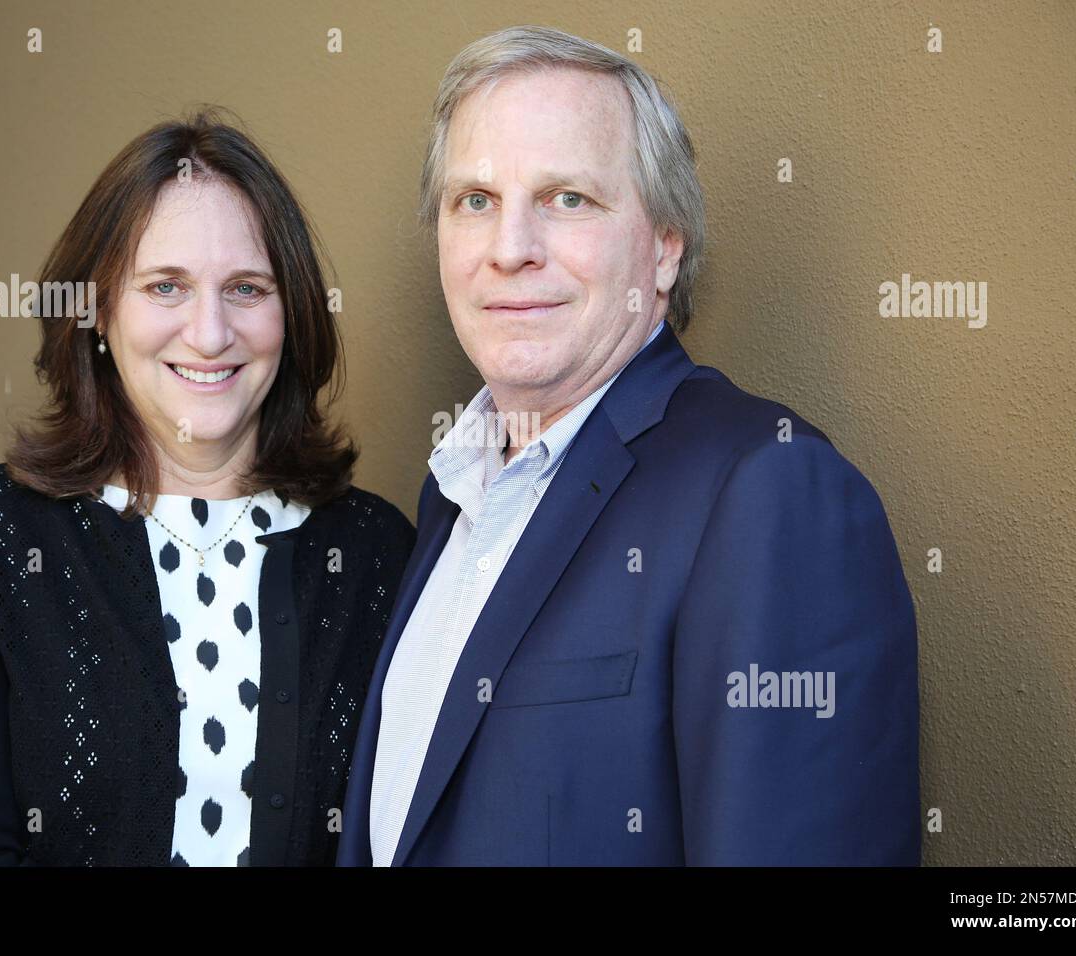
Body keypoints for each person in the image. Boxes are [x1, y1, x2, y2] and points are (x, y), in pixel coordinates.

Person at [338, 26, 920, 866]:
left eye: (567, 199)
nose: (510, 249)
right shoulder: (449, 500)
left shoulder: (768, 491)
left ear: (664, 248)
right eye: (476, 201)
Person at [0, 110, 415, 866]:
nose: (208, 333)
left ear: (291, 314)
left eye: (246, 288)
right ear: (99, 310)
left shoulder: (374, 550)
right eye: (165, 286)